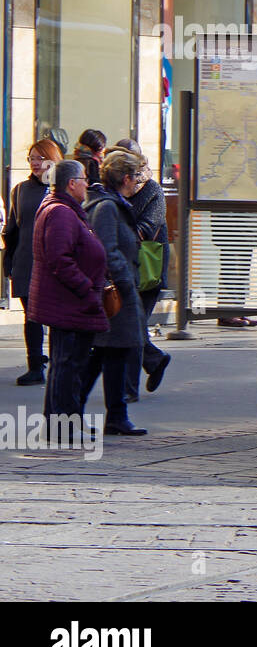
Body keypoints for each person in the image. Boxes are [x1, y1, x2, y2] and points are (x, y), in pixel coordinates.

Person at [28, 160, 107, 443]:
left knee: (68, 364)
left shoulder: (64, 209)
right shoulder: (61, 212)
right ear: (72, 183)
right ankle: (61, 426)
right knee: (67, 365)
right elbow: (59, 259)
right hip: (69, 302)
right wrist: (86, 288)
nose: (88, 184)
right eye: (84, 179)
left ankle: (63, 423)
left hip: (71, 302)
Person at [82, 150, 148, 436]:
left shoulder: (110, 203)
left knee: (107, 354)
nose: (138, 182)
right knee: (112, 353)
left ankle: (110, 415)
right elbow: (107, 249)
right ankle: (111, 415)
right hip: (116, 292)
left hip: (116, 289)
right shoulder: (108, 206)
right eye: (136, 176)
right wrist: (124, 280)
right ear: (125, 178)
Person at [107, 139, 170, 399]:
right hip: (122, 266)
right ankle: (154, 360)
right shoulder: (114, 189)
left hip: (147, 268)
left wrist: (115, 234)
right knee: (132, 326)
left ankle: (129, 388)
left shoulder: (152, 190)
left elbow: (148, 226)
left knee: (134, 326)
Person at [4, 139, 63, 385]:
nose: (35, 163)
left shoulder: (61, 189)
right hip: (26, 261)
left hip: (55, 263)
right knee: (32, 316)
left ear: (53, 160)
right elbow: (12, 229)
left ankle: (60, 364)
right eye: (32, 158)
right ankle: (35, 365)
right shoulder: (20, 190)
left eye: (41, 158)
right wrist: (9, 261)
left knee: (58, 318)